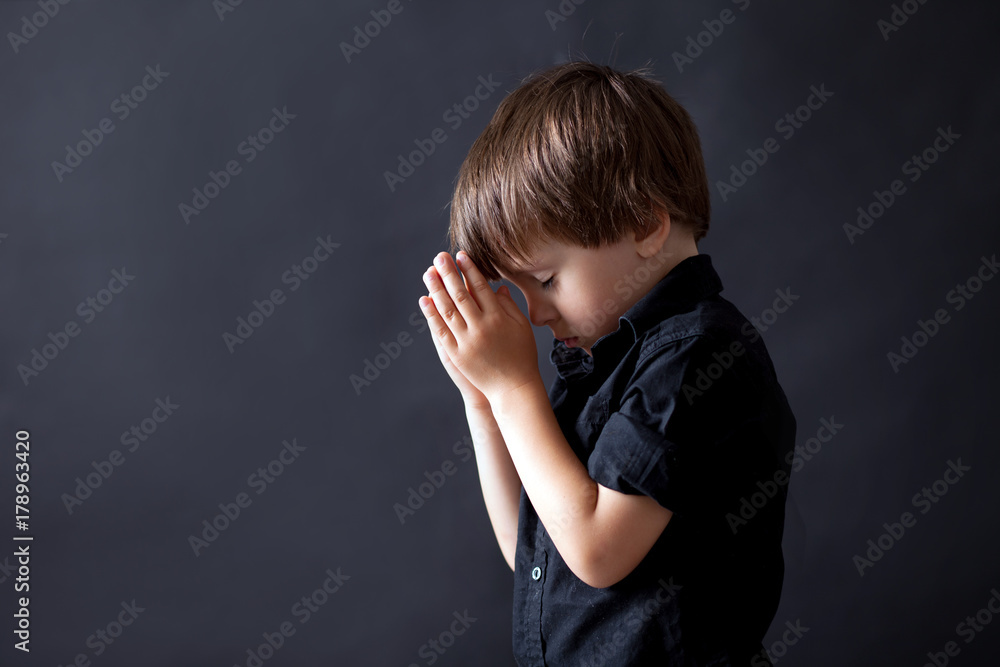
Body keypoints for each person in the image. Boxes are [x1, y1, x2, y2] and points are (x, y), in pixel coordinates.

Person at [416, 59, 797, 666]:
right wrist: (483, 400)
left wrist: (516, 390)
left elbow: (593, 550)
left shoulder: (699, 357)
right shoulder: (602, 366)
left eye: (544, 280)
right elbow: (536, 550)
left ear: (645, 225)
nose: (536, 313)